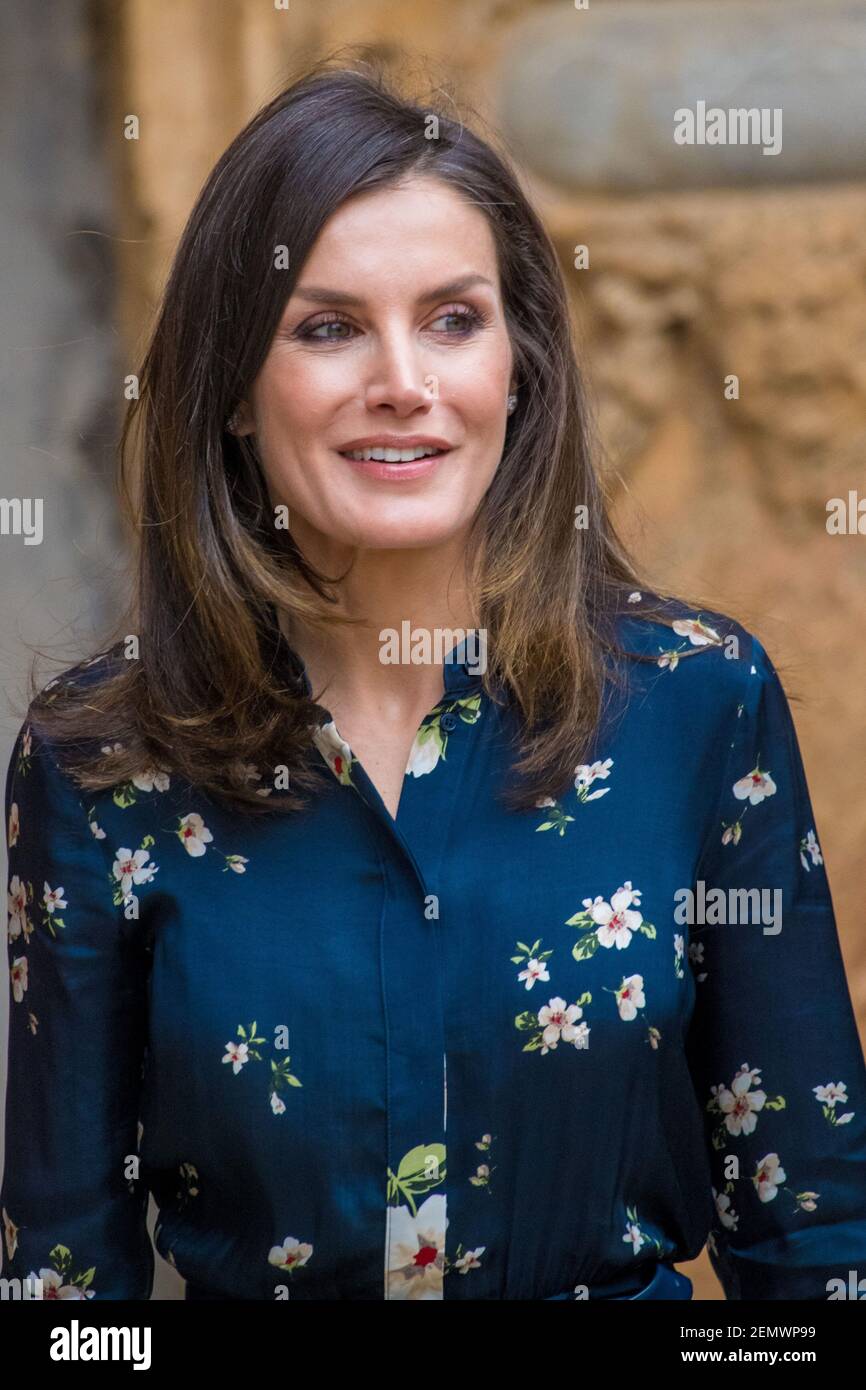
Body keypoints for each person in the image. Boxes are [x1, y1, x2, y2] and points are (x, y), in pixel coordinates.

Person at [3, 58, 865, 1302]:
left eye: (453, 319)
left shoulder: (696, 702)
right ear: (234, 390)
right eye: (328, 325)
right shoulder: (102, 767)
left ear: (518, 367)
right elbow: (64, 1301)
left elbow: (816, 1249)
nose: (402, 379)